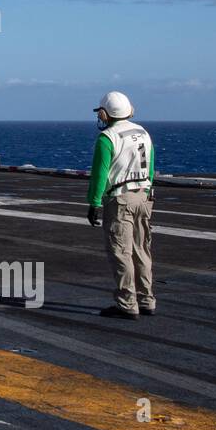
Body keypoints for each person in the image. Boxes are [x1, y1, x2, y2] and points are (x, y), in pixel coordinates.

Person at [86, 91, 156, 320]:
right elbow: (152, 167)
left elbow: (100, 174)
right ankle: (147, 299)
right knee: (142, 250)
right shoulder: (143, 132)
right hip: (144, 197)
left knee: (121, 252)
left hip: (120, 200)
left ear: (105, 113)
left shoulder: (108, 137)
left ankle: (127, 303)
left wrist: (94, 203)